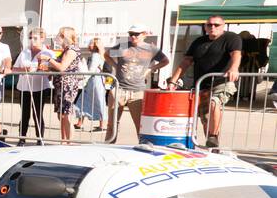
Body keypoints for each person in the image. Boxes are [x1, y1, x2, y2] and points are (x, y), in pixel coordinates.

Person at [168, 15, 242, 148]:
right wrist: (173, 80)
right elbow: (186, 61)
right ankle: (212, 146)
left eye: (216, 25)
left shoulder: (231, 38)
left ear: (223, 26)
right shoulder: (198, 41)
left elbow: (236, 54)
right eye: (209, 25)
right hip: (202, 85)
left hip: (222, 81)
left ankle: (213, 137)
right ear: (205, 27)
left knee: (214, 103)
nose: (212, 27)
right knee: (205, 118)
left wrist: (234, 68)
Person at [104, 24, 169, 143]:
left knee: (140, 124)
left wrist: (151, 68)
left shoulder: (151, 48)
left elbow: (165, 61)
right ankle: (108, 146)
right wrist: (115, 66)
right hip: (119, 89)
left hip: (138, 91)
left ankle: (143, 146)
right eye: (131, 34)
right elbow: (106, 54)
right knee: (112, 123)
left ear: (144, 35)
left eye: (136, 34)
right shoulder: (123, 45)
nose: (133, 37)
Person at [40, 26, 82, 143]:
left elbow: (62, 68)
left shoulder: (71, 50)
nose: (58, 38)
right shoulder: (67, 50)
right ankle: (64, 141)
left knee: (66, 114)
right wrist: (48, 69)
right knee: (61, 114)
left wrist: (49, 60)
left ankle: (69, 141)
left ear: (66, 37)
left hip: (67, 86)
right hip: (61, 85)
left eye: (60, 35)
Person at [13, 29, 51, 145]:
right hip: (24, 87)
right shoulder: (24, 52)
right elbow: (14, 68)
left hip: (40, 87)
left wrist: (44, 70)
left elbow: (50, 73)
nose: (32, 40)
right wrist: (24, 69)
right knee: (24, 114)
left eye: (35, 38)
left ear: (42, 39)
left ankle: (40, 139)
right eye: (30, 38)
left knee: (38, 114)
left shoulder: (47, 53)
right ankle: (22, 139)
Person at [74, 39, 107, 131]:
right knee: (84, 100)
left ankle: (102, 125)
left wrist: (84, 78)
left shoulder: (95, 56)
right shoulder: (95, 55)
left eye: (91, 43)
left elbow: (92, 69)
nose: (89, 45)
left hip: (95, 81)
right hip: (92, 80)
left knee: (98, 101)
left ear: (96, 45)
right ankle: (80, 123)